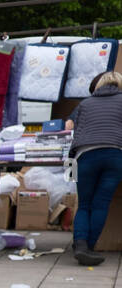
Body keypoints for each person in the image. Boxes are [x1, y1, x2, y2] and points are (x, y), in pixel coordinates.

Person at [66, 70, 122, 266]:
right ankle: (88, 248)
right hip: (114, 155)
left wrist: (70, 163)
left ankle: (80, 246)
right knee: (101, 203)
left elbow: (73, 130)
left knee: (84, 204)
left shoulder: (85, 103)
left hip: (85, 156)